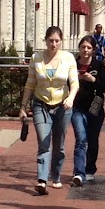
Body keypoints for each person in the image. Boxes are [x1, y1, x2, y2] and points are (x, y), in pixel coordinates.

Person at [19, 26, 78, 195]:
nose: (54, 44)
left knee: (58, 145)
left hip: (62, 106)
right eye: (51, 40)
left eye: (57, 41)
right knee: (44, 142)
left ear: (61, 41)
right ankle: (42, 181)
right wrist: (23, 106)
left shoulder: (68, 58)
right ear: (45, 41)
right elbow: (30, 83)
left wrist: (71, 97)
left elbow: (74, 82)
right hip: (41, 104)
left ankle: (56, 176)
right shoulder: (36, 58)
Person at [70, 35, 105, 185]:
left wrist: (92, 79)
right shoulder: (72, 64)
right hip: (78, 105)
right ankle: (78, 172)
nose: (85, 50)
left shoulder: (98, 65)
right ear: (79, 48)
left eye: (88, 48)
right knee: (81, 138)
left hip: (95, 104)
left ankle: (90, 169)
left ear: (93, 50)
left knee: (92, 139)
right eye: (83, 47)